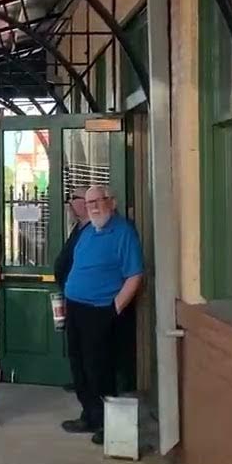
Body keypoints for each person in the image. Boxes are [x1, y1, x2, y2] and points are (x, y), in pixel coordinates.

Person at [60, 185, 144, 445]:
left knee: (101, 370)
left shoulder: (123, 232)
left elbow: (134, 275)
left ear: (112, 202)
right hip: (76, 308)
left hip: (101, 311)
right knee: (79, 366)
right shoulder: (88, 231)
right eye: (89, 202)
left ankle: (111, 426)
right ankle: (91, 415)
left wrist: (114, 309)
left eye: (99, 200)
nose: (94, 206)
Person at [55, 189, 91, 392]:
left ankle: (87, 387)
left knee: (87, 348)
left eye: (73, 199)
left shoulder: (92, 229)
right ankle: (79, 382)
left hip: (87, 300)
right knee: (75, 347)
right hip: (71, 295)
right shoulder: (78, 227)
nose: (69, 203)